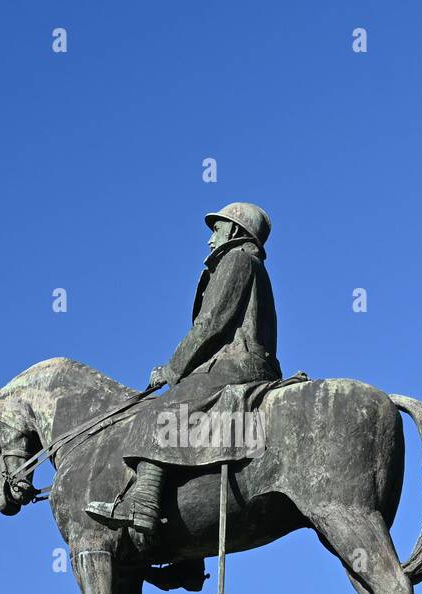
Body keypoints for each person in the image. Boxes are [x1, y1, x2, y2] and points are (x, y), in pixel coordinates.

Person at [86, 202, 281, 534]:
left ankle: (143, 505)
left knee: (157, 413)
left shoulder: (236, 260)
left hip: (237, 365)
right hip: (247, 363)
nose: (210, 240)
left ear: (234, 231)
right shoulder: (249, 263)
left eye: (216, 230)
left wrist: (172, 369)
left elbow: (210, 325)